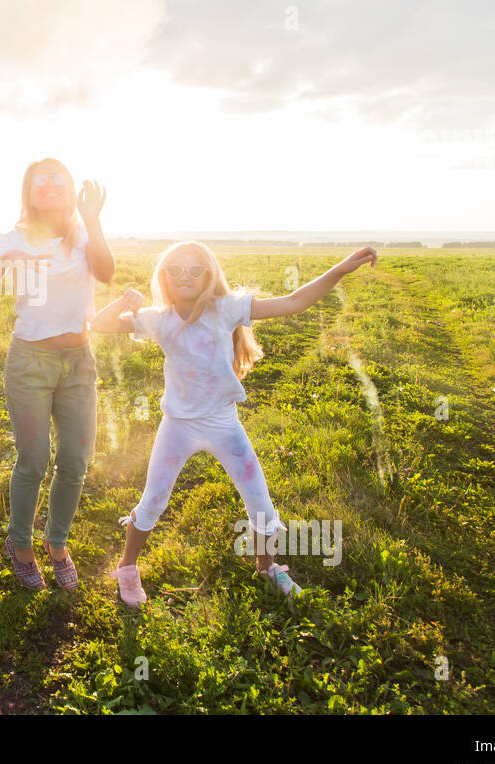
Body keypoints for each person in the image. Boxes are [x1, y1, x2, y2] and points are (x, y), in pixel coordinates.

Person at [91, 240, 377, 605]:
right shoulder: (158, 319)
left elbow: (294, 302)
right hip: (178, 425)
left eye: (195, 269)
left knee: (261, 505)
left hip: (223, 424)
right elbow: (98, 326)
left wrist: (339, 269)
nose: (185, 276)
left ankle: (267, 568)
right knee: (153, 501)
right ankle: (128, 568)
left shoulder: (226, 309)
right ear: (164, 276)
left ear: (209, 275)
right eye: (175, 270)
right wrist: (122, 304)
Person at [0, 158, 115, 590]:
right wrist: (3, 263)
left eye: (57, 177)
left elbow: (107, 273)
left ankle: (57, 542)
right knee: (34, 460)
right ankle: (20, 545)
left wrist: (93, 221)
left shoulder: (83, 235)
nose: (49, 184)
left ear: (71, 187)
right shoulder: (16, 236)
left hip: (79, 361)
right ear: (30, 191)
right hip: (30, 363)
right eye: (39, 180)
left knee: (76, 460)